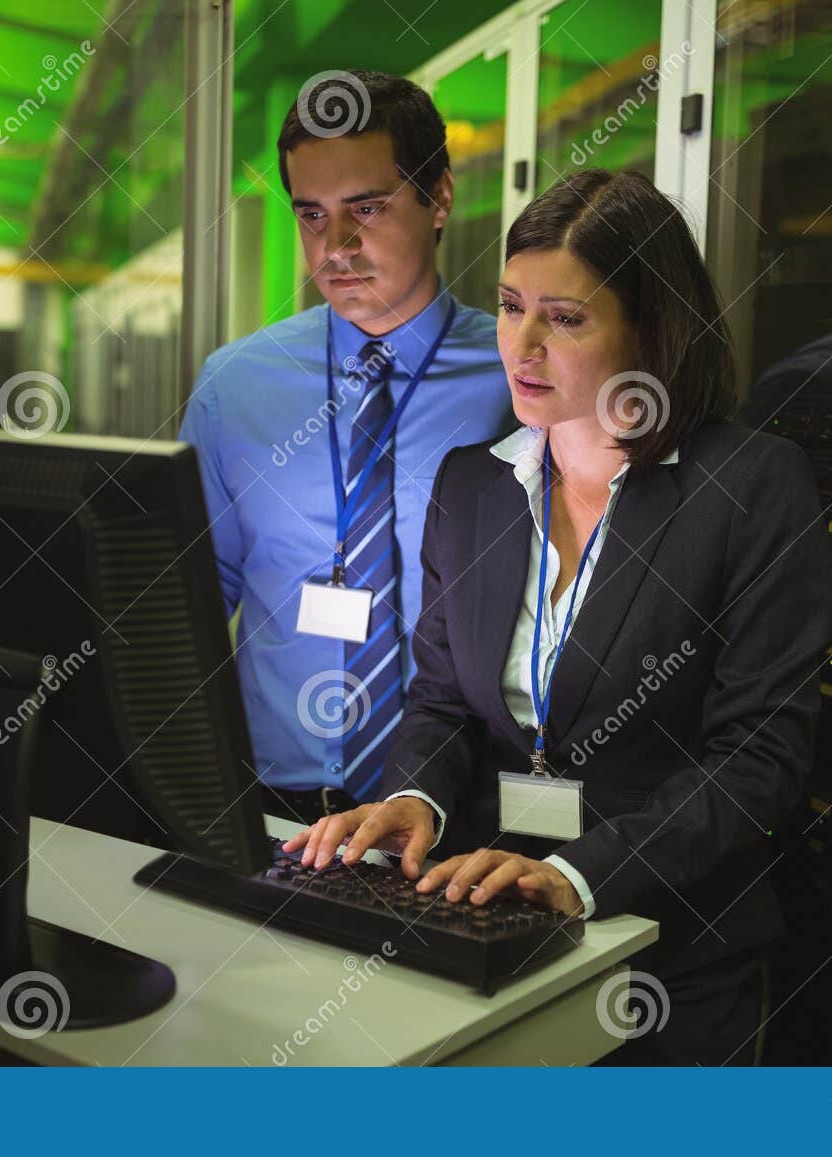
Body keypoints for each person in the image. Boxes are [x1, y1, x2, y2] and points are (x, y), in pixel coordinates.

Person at [284, 168, 832, 1065]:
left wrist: (579, 873)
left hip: (670, 952)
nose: (524, 345)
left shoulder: (751, 487)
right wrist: (414, 797)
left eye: (566, 318)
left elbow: (758, 759)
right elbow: (442, 701)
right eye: (511, 307)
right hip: (483, 923)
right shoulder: (472, 485)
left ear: (650, 329)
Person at [180, 71, 512, 825]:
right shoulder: (236, 386)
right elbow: (187, 608)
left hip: (453, 811)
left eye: (366, 208)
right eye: (312, 215)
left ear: (440, 198)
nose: (336, 246)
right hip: (272, 805)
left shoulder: (516, 380)